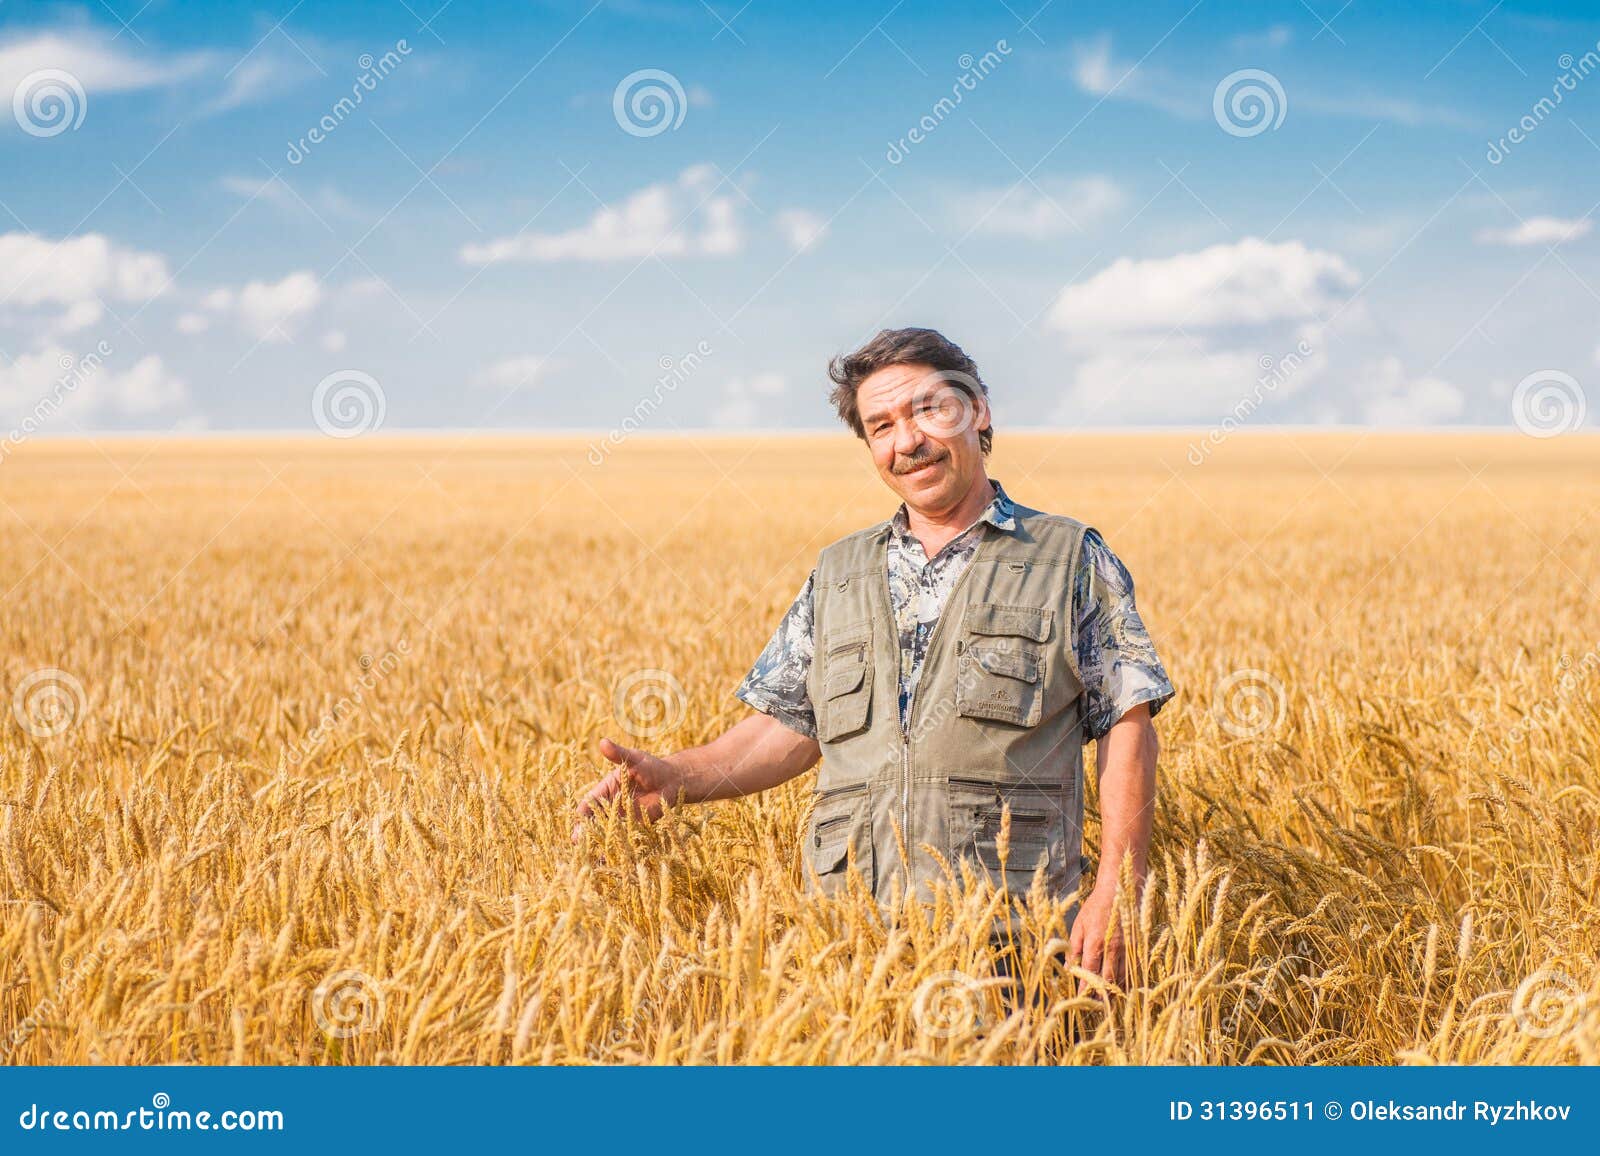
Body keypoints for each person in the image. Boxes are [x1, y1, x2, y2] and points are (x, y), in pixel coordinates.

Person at [573, 327, 1174, 984]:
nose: (907, 441)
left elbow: (1126, 723)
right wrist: (676, 776)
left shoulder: (1067, 557)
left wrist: (1120, 881)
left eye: (927, 410)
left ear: (978, 410)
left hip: (1014, 931)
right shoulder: (839, 573)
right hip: (853, 940)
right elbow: (789, 726)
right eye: (881, 425)